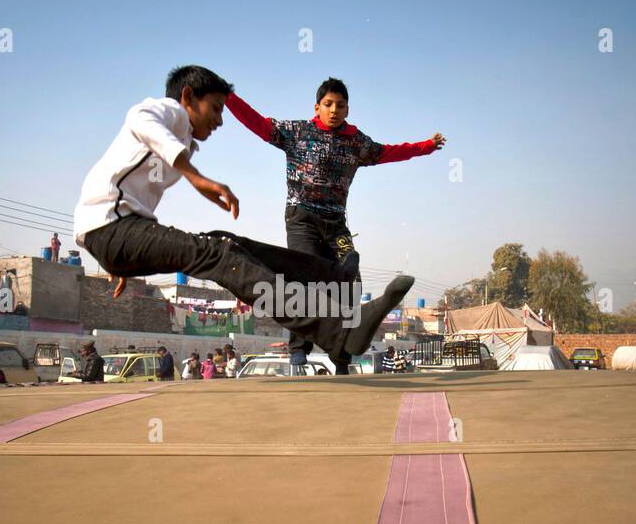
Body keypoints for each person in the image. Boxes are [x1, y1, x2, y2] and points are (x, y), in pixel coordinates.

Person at [72, 66, 414, 367]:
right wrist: (195, 177)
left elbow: (135, 197)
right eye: (216, 108)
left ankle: (333, 276)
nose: (219, 120)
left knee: (230, 243)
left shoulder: (184, 140)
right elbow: (141, 121)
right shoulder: (165, 110)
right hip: (109, 228)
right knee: (218, 253)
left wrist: (124, 262)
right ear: (189, 96)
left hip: (122, 233)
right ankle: (337, 331)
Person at [224, 78, 443, 375]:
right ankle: (298, 351)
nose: (334, 110)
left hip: (336, 225)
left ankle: (342, 355)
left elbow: (390, 152)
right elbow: (259, 124)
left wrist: (426, 147)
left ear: (348, 109)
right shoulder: (297, 132)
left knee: (350, 284)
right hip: (302, 219)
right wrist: (227, 97)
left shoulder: (356, 142)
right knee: (305, 278)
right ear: (317, 107)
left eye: (340, 105)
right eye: (328, 105)